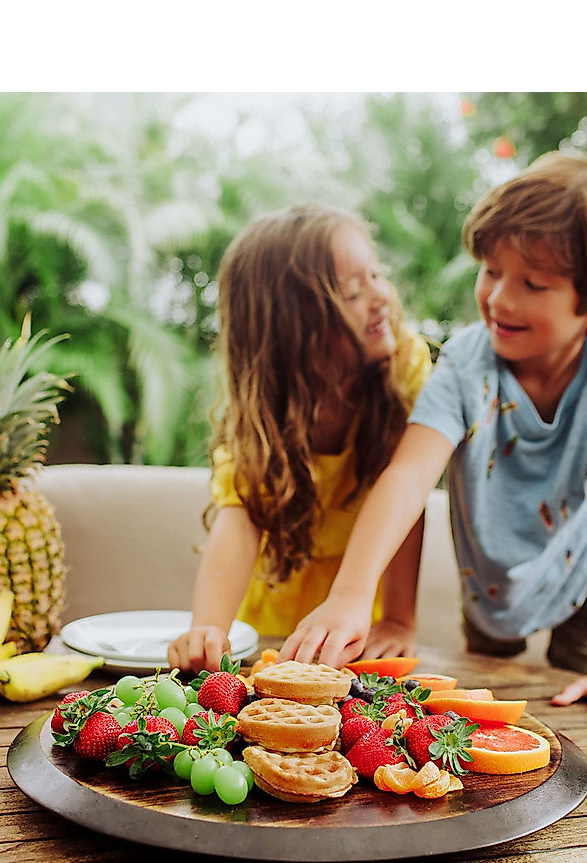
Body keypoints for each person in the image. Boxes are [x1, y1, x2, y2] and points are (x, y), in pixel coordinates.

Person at [280, 154, 587, 726]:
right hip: (490, 579)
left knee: (585, 718)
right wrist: (356, 597)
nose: (499, 298)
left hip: (580, 579)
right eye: (491, 271)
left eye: (533, 283)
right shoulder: (465, 364)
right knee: (477, 709)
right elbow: (407, 478)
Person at [167, 203, 433, 674]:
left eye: (376, 274)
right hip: (272, 610)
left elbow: (406, 495)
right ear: (296, 329)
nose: (381, 297)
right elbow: (240, 518)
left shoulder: (404, 370)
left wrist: (398, 617)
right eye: (353, 292)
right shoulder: (260, 414)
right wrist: (209, 627)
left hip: (354, 608)